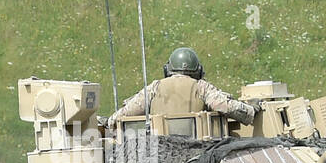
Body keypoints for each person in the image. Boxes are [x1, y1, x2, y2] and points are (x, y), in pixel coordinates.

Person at [107, 47, 257, 130]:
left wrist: (109, 121)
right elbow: (224, 105)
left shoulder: (155, 87)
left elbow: (124, 114)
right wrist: (251, 110)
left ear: (168, 69)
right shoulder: (201, 87)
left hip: (162, 149)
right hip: (196, 148)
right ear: (198, 70)